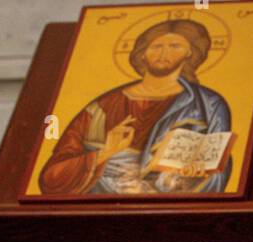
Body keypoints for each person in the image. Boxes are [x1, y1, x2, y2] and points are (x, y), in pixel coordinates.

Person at [39, 17, 231, 196]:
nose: (163, 53)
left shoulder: (209, 105)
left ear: (190, 52)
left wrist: (193, 177)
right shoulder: (101, 108)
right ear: (143, 53)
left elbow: (217, 167)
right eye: (156, 46)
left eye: (175, 46)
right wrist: (106, 152)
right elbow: (51, 178)